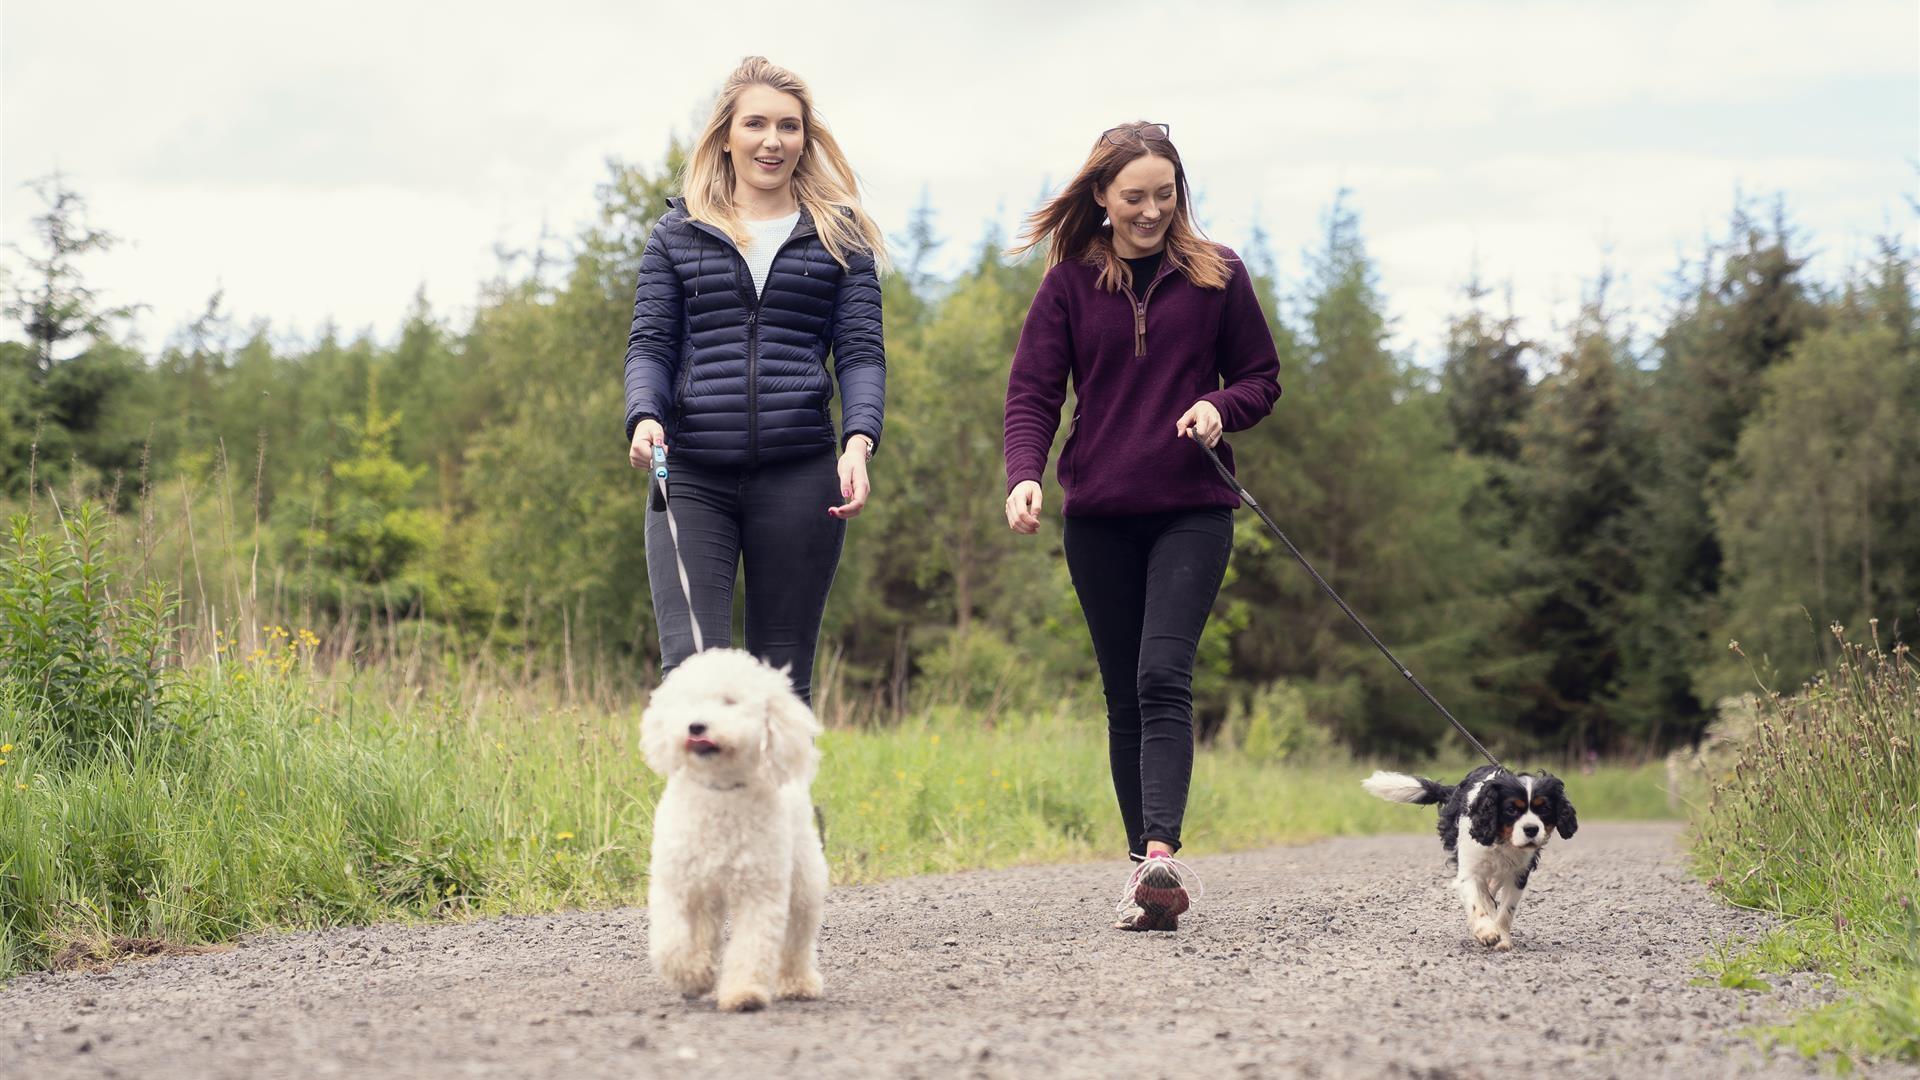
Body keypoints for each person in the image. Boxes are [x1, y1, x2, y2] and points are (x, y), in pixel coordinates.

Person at [1003, 121, 1282, 931]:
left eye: (1165, 195)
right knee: (1123, 693)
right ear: (1101, 197)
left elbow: (1261, 378)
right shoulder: (1066, 287)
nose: (1152, 210)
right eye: (1135, 197)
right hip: (1098, 517)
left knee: (1163, 675)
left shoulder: (1217, 275)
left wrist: (1217, 407)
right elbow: (1033, 394)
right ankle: (1143, 879)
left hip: (1192, 508)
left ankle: (1162, 852)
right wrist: (1025, 473)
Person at [624, 56, 886, 706]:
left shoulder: (840, 238)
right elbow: (651, 344)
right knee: (694, 684)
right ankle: (701, 814)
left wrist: (857, 443)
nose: (773, 140)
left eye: (789, 126)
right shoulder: (677, 234)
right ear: (726, 135)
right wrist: (644, 415)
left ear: (805, 138)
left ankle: (785, 813)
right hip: (689, 478)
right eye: (757, 124)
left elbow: (860, 355)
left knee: (781, 691)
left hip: (800, 478)